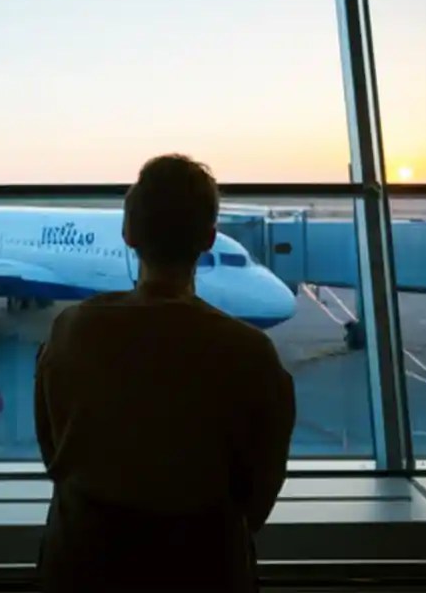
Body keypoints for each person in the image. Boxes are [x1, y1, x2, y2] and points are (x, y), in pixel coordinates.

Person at [34, 154, 296, 593]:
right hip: (204, 570)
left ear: (128, 233)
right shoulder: (251, 354)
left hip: (83, 567)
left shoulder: (72, 331)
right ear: (210, 238)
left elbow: (54, 454)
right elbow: (259, 498)